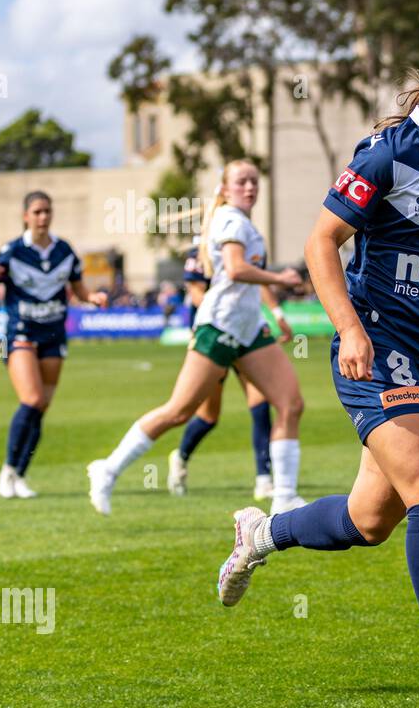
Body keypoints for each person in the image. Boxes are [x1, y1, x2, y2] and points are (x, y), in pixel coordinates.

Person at [213, 34, 419, 708]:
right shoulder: (388, 152)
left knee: (370, 520)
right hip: (381, 346)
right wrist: (350, 329)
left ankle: (261, 534)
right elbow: (319, 242)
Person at [86, 160, 306, 515]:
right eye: (241, 182)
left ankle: (283, 495)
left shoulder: (240, 221)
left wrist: (274, 305)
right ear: (224, 188)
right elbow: (235, 269)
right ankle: (107, 470)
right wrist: (280, 278)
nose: (249, 187)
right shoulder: (232, 219)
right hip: (219, 325)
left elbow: (245, 276)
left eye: (253, 181)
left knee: (290, 403)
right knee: (178, 411)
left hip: (248, 328)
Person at [0, 191, 107, 498]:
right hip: (19, 332)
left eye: (47, 211)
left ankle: (20, 476)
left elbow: (77, 288)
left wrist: (92, 297)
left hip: (53, 334)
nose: (43, 217)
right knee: (33, 398)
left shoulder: (64, 250)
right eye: (37, 212)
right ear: (26, 216)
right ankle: (8, 470)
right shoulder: (11, 251)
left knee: (42, 407)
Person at [167, 238, 293, 500]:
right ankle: (180, 457)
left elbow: (257, 284)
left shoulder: (243, 248)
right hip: (215, 338)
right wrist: (227, 317)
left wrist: (277, 314)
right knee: (208, 415)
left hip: (245, 337)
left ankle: (263, 479)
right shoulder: (199, 254)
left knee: (260, 403)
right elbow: (196, 295)